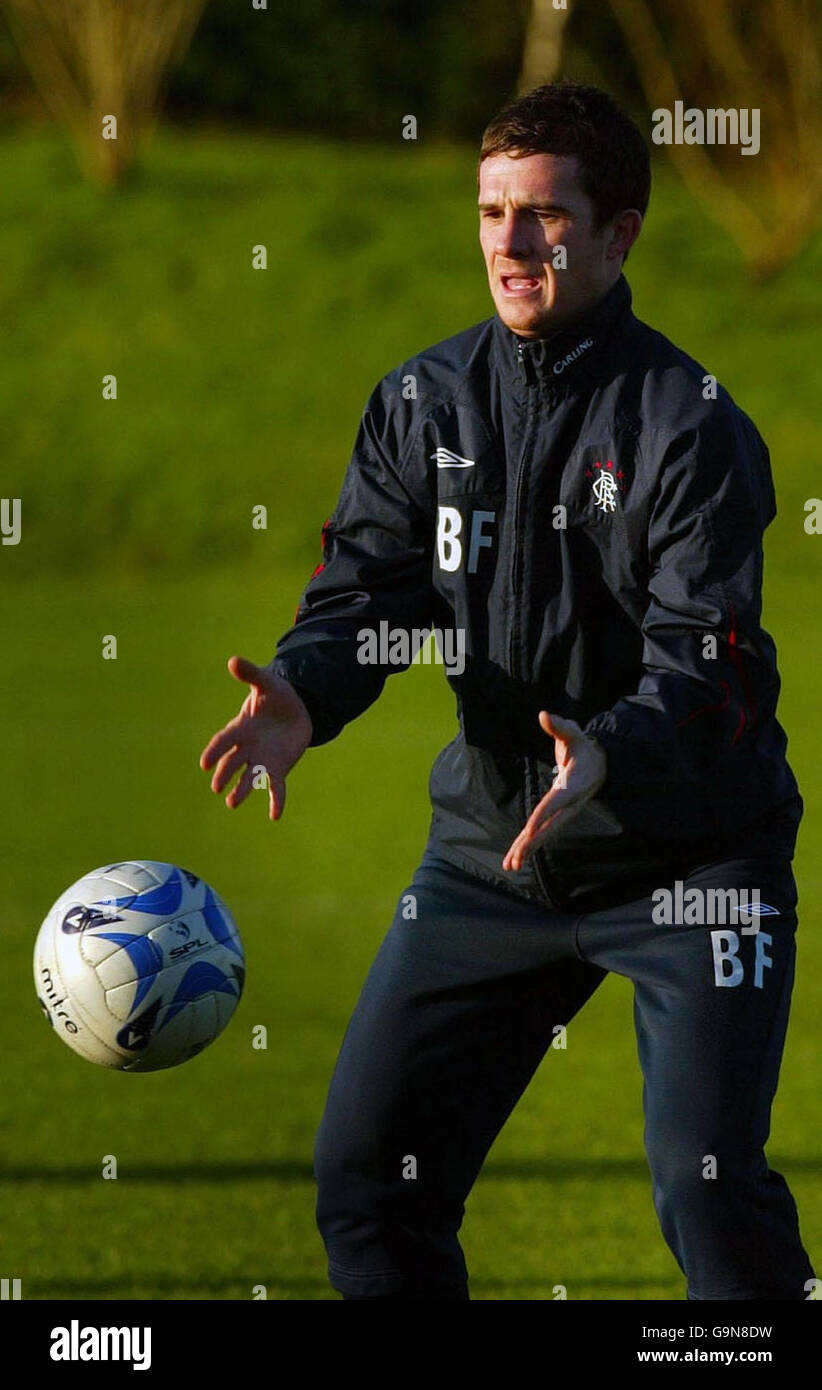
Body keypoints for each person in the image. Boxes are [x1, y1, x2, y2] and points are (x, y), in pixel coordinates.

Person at [200, 82, 815, 1301]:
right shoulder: (424, 400)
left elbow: (711, 654)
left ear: (620, 231)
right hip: (495, 856)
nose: (509, 243)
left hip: (693, 865)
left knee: (707, 1188)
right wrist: (307, 699)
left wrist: (608, 755)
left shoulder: (689, 427)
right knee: (369, 1185)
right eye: (490, 211)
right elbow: (371, 592)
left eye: (542, 215)